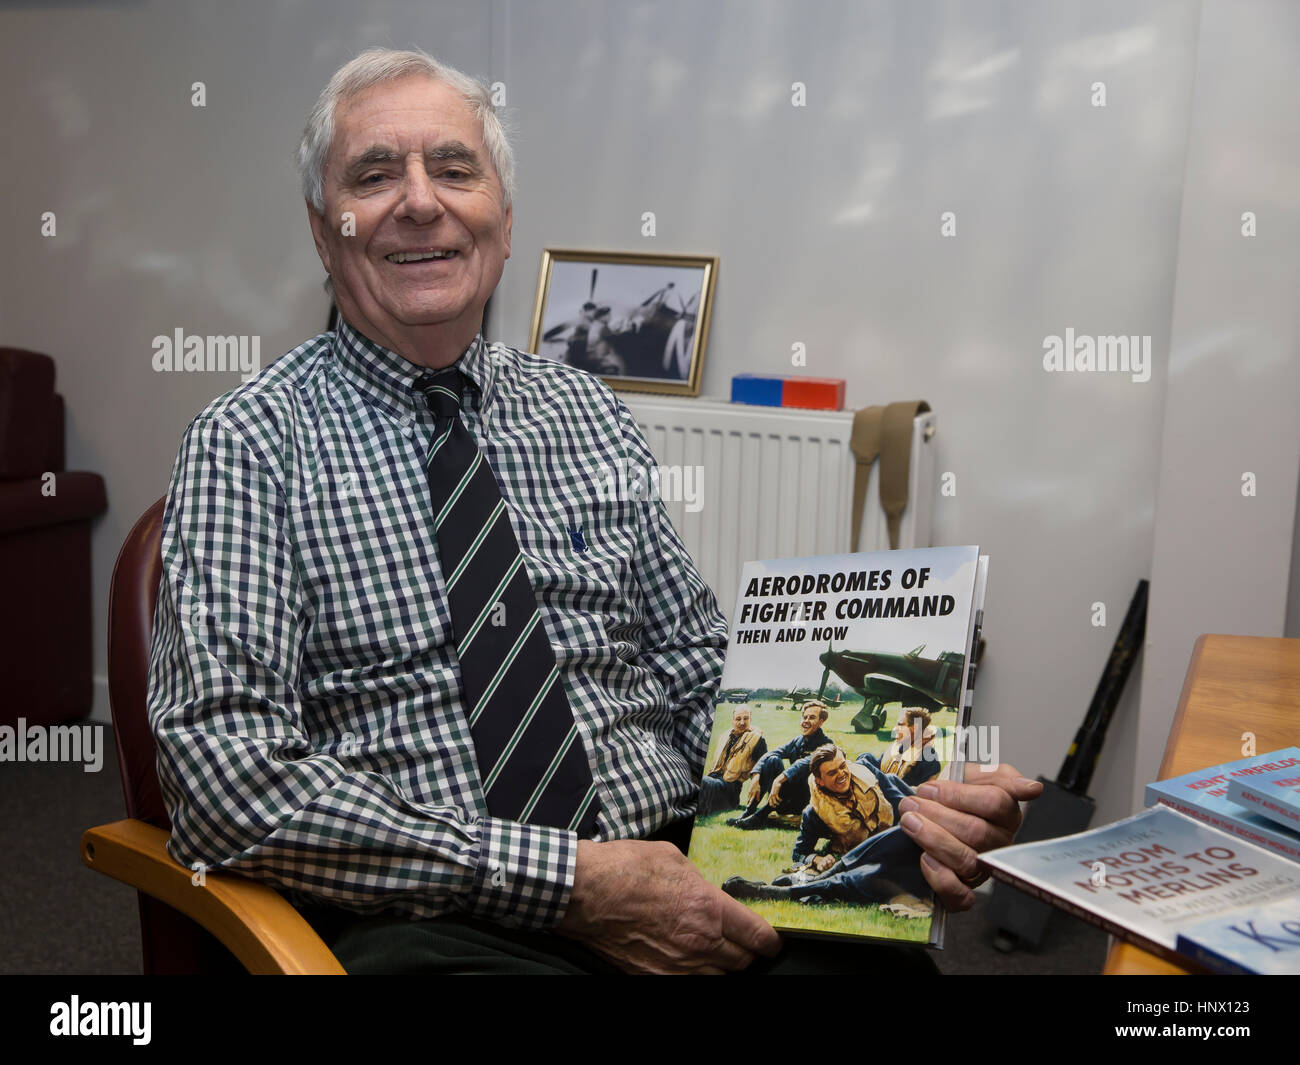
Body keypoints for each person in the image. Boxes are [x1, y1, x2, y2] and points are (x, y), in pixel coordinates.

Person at [146, 46, 1041, 976]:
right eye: (374, 175)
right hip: (441, 912)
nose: (420, 201)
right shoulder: (246, 442)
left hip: (683, 862)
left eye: (455, 169)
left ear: (501, 217)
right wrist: (568, 881)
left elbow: (697, 671)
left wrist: (899, 795)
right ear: (323, 230)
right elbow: (222, 775)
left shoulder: (585, 411)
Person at [723, 744, 932, 916]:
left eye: (843, 767)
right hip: (883, 865)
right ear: (820, 781)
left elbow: (907, 807)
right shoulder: (815, 812)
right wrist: (815, 859)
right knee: (859, 879)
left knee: (904, 828)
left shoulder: (869, 775)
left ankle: (809, 883)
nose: (842, 774)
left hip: (912, 842)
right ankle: (782, 892)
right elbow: (800, 852)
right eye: (833, 773)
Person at [727, 701, 830, 828]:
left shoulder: (826, 745)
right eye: (804, 717)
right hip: (784, 798)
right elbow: (772, 753)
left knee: (794, 770)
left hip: (803, 803)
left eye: (812, 717)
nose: (806, 721)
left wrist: (779, 780)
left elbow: (803, 764)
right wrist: (756, 776)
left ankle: (759, 817)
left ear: (821, 722)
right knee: (773, 760)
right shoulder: (798, 740)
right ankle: (749, 811)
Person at [696, 707, 766, 816]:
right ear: (732, 721)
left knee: (703, 782)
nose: (742, 722)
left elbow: (763, 764)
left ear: (750, 720)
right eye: (738, 719)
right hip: (713, 781)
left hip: (730, 789)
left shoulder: (757, 740)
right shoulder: (724, 736)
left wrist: (756, 781)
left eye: (746, 718)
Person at [879, 707, 942, 787]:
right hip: (886, 788)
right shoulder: (901, 747)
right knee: (866, 757)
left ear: (914, 728)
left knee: (891, 778)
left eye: (900, 725)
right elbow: (880, 764)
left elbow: (929, 790)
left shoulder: (928, 757)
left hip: (904, 796)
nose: (895, 729)